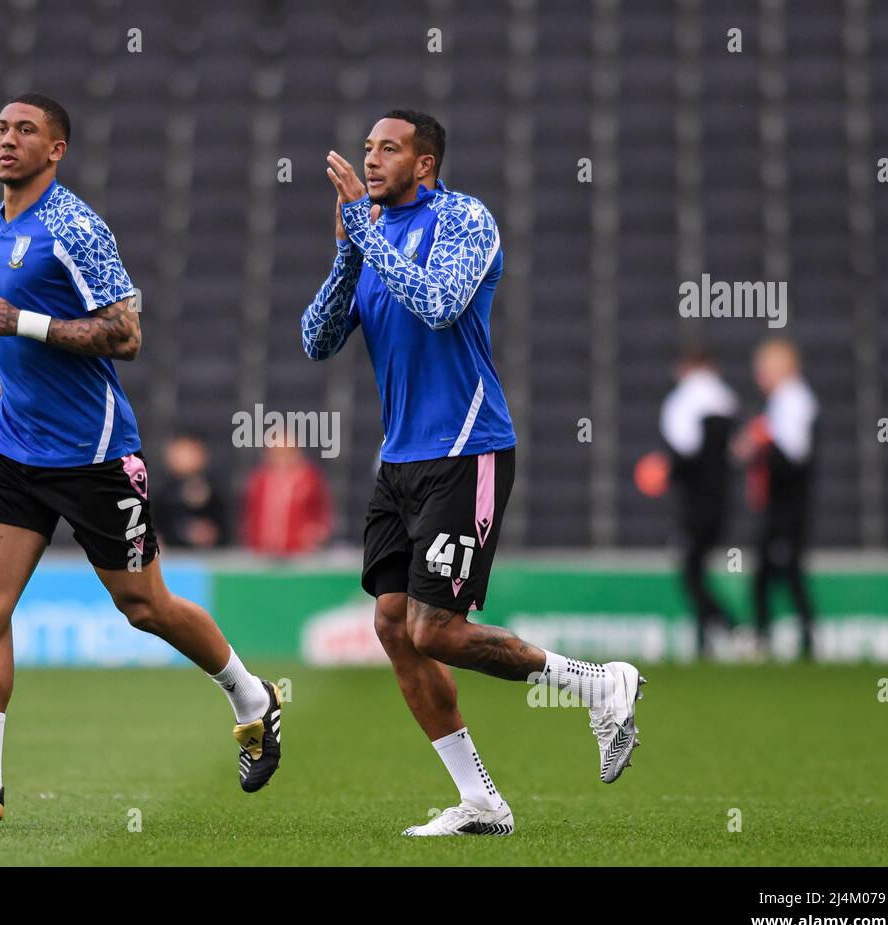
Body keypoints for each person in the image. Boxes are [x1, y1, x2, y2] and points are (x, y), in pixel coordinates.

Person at [0, 94, 283, 827]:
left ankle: (249, 694)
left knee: (145, 608)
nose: (7, 140)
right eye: (1, 128)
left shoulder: (76, 226)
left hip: (93, 453)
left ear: (57, 149)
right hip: (14, 447)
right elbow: (28, 344)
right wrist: (3, 383)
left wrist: (22, 323)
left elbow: (125, 334)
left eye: (26, 131)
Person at [301, 109, 644, 837]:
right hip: (398, 461)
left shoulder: (465, 220)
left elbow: (437, 304)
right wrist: (346, 254)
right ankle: (481, 801)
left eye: (388, 149)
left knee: (436, 630)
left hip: (467, 449)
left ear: (424, 163)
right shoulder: (370, 235)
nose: (371, 160)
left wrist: (365, 238)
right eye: (366, 149)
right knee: (394, 626)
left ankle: (598, 684)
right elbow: (316, 341)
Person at [734, 337, 819, 659]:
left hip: (788, 508)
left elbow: (794, 457)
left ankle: (771, 638)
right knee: (779, 573)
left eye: (764, 369)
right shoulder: (784, 401)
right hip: (783, 506)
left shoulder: (792, 399)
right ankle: (796, 639)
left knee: (776, 573)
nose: (759, 376)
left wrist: (761, 444)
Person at [659, 346, 739, 656]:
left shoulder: (685, 402)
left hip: (696, 506)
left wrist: (668, 471)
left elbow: (687, 455)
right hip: (720, 502)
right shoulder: (725, 400)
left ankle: (726, 627)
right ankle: (707, 638)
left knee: (691, 572)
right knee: (697, 571)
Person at [240, 439, 333, 555]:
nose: (281, 457)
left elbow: (322, 513)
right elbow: (250, 514)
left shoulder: (309, 479)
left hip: (299, 553)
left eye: (286, 452)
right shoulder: (259, 479)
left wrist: (316, 533)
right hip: (262, 552)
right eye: (276, 452)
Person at [153, 432, 227, 549]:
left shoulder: (216, 490)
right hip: (171, 560)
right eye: (177, 452)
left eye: (187, 452)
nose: (180, 458)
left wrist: (209, 533)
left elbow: (226, 530)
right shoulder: (161, 493)